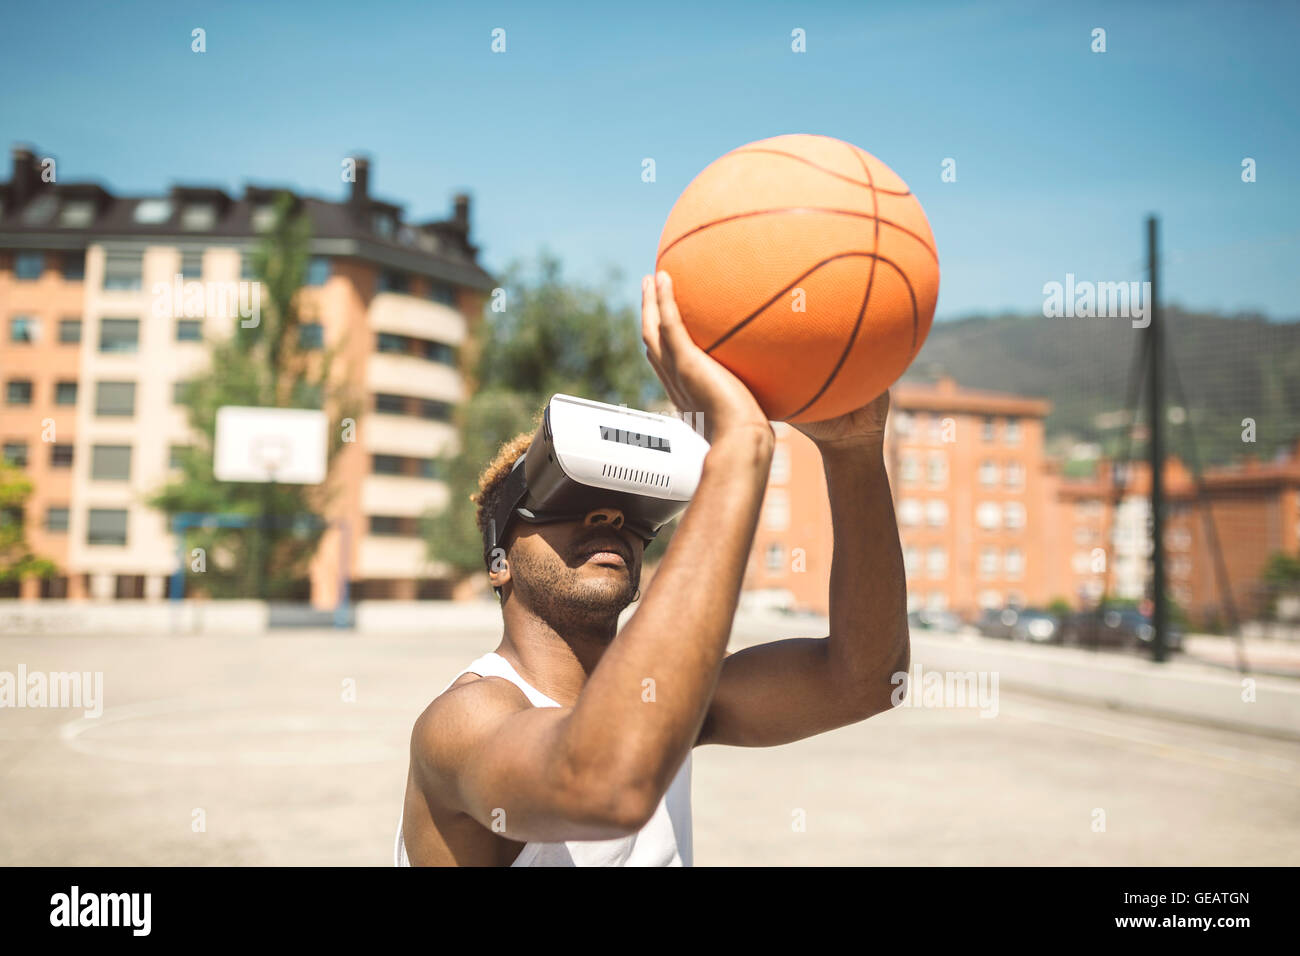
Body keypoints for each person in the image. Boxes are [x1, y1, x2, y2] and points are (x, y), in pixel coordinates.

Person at [395, 271, 908, 866]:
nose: (608, 517)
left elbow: (867, 678)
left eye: (632, 510)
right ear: (498, 562)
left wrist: (854, 453)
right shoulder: (464, 722)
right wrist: (738, 449)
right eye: (568, 502)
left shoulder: (666, 705)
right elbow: (605, 783)